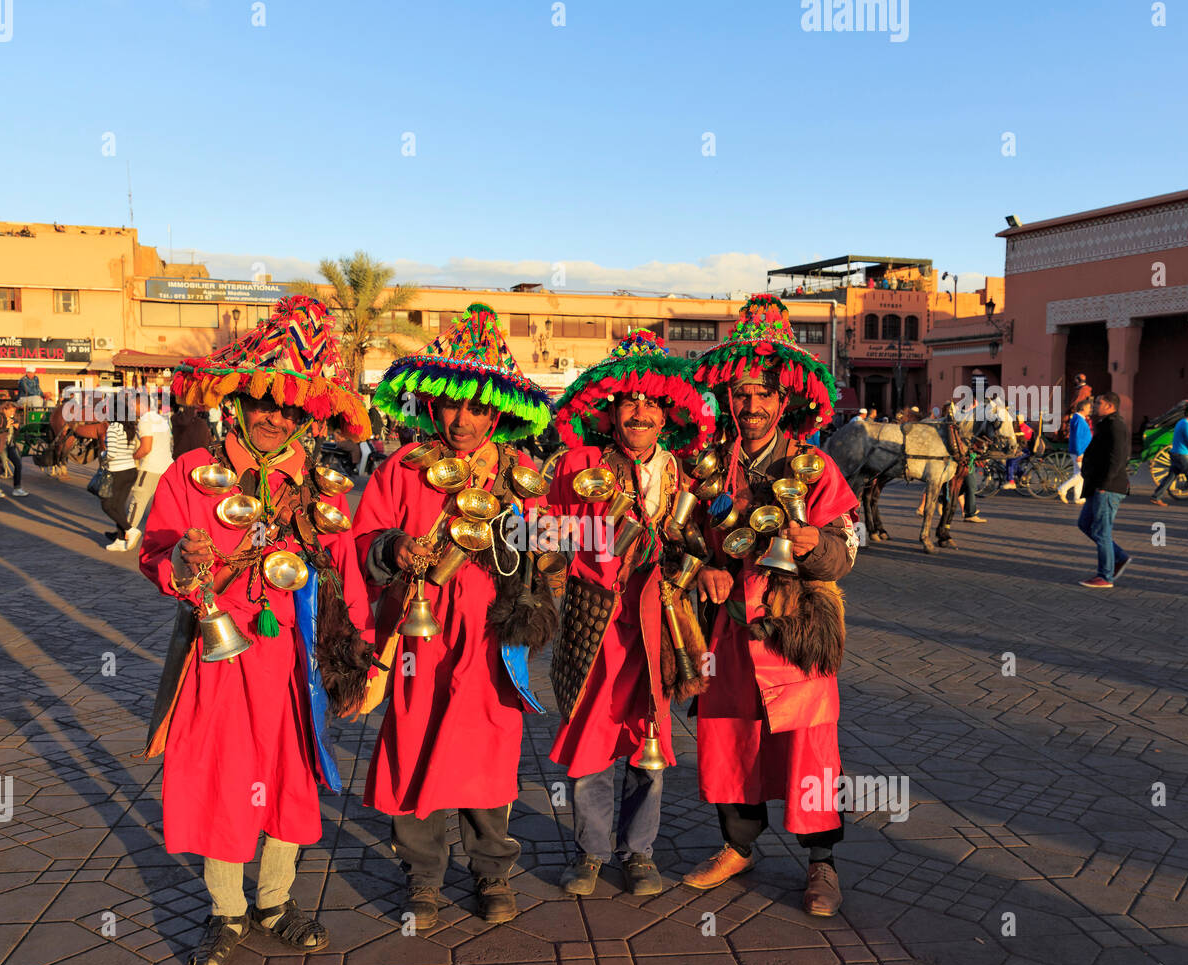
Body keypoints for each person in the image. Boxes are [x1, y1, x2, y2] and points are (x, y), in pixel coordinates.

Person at [139, 295, 377, 965]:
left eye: (291, 408)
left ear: (308, 413)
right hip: (218, 657)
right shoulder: (192, 473)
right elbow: (155, 550)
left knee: (288, 774)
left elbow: (347, 579)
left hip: (293, 662)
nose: (276, 418)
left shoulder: (322, 488)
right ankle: (225, 910)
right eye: (264, 403)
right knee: (220, 774)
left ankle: (275, 902)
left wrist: (359, 657)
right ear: (240, 402)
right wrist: (180, 564)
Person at [355, 303, 557, 929]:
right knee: (413, 737)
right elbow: (363, 542)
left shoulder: (520, 477)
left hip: (493, 635)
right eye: (451, 405)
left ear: (498, 411)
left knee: (490, 746)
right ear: (433, 405)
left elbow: (547, 553)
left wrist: (542, 554)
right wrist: (394, 547)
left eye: (476, 408)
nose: (462, 419)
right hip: (421, 634)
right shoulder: (401, 468)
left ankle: (492, 870)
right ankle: (422, 876)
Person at [684, 294, 859, 917]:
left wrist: (816, 546)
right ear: (728, 400)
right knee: (729, 736)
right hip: (729, 631)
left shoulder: (814, 468)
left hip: (797, 630)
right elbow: (683, 542)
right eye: (740, 394)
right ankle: (737, 846)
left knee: (810, 746)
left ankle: (821, 863)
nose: (751, 406)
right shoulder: (708, 470)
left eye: (763, 394)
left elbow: (847, 552)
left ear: (784, 401)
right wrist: (704, 567)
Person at [547, 330, 714, 898]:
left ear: (666, 414)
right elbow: (546, 533)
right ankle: (591, 852)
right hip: (597, 621)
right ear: (611, 411)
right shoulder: (578, 464)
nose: (639, 412)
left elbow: (702, 542)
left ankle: (639, 852)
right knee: (591, 737)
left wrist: (684, 565)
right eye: (628, 402)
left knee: (651, 738)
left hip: (658, 624)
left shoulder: (685, 475)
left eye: (650, 403)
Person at [1076, 392, 1132, 588]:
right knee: (1085, 523)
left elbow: (1118, 458)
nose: (1094, 405)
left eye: (1098, 402)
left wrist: (1105, 483)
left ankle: (1105, 576)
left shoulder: (1115, 425)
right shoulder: (1106, 424)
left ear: (1109, 405)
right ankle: (1119, 556)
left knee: (1102, 531)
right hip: (1097, 485)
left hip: (1107, 487)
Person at [124, 387, 173, 548]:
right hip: (167, 466)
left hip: (151, 467)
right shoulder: (161, 419)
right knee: (163, 505)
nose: (131, 409)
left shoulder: (145, 421)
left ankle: (128, 533)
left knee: (138, 501)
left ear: (140, 405)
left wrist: (130, 458)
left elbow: (146, 448)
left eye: (132, 405)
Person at [1151, 403, 1188, 507]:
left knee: (1171, 476)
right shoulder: (1187, 424)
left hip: (1175, 453)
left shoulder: (1181, 422)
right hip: (1182, 454)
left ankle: (1156, 496)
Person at [102, 408, 139, 551]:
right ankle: (120, 539)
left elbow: (111, 453)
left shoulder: (112, 428)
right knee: (119, 506)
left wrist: (102, 454)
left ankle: (130, 530)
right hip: (130, 470)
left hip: (118, 471)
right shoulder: (129, 428)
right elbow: (135, 446)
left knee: (107, 505)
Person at [0, 398, 28, 497]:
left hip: (10, 445)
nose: (12, 412)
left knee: (18, 464)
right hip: (0, 445)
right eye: (10, 410)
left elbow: (16, 434)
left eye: (14, 410)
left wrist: (17, 428)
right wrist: (5, 427)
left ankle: (17, 488)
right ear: (4, 409)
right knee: (0, 467)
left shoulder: (13, 419)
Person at [1057, 397, 1092, 504]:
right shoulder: (1079, 420)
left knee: (1079, 474)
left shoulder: (1078, 419)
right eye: (1089, 408)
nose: (1090, 410)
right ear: (1083, 408)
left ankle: (1078, 497)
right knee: (1083, 474)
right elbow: (1077, 437)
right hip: (1079, 451)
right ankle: (1063, 488)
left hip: (1079, 450)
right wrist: (1080, 452)